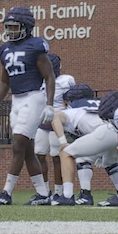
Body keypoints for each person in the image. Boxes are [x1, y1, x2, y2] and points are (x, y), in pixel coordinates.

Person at [0, 6, 56, 205]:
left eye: (14, 27)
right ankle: (43, 194)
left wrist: (50, 105)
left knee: (18, 143)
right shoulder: (5, 49)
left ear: (26, 27)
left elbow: (49, 76)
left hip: (33, 97)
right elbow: (4, 81)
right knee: (26, 150)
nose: (9, 31)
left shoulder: (35, 46)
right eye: (7, 27)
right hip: (16, 100)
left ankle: (6, 192)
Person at [49, 84, 118, 206]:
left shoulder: (72, 110)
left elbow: (55, 117)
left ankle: (73, 195)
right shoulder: (98, 103)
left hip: (105, 132)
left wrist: (62, 141)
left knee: (69, 153)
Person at [34, 53, 75, 200]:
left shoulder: (67, 80)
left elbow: (72, 98)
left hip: (58, 122)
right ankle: (44, 191)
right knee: (38, 155)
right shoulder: (39, 81)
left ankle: (58, 192)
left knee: (56, 157)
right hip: (42, 122)